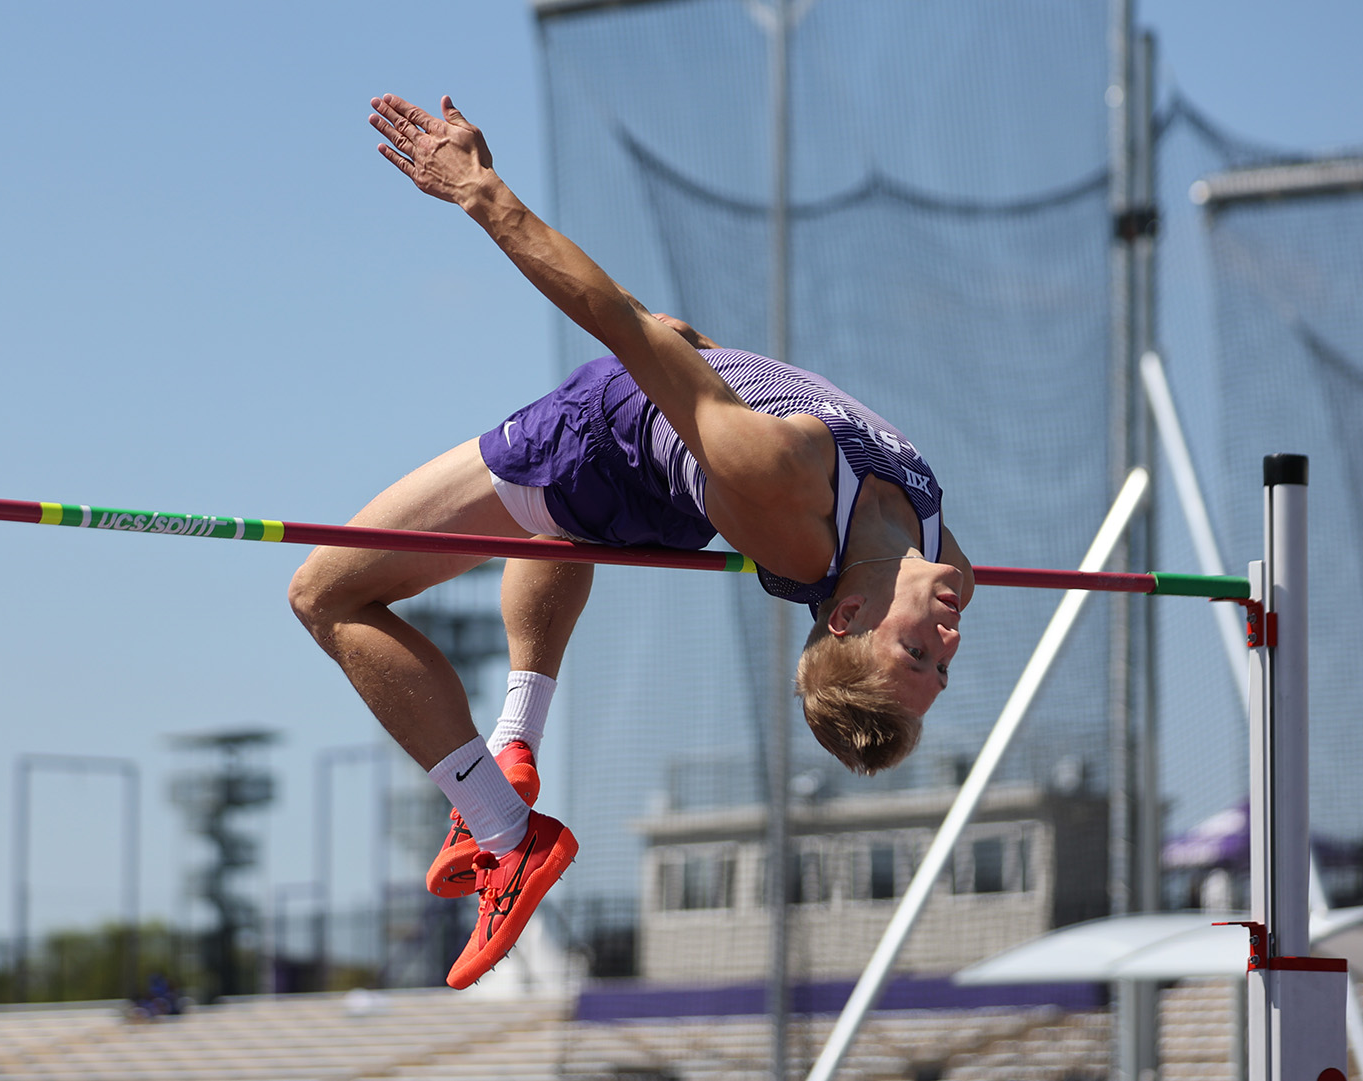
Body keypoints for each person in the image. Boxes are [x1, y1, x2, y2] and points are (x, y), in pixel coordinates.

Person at [288, 93, 974, 989]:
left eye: (916, 651)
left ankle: (502, 829)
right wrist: (693, 348)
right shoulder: (942, 555)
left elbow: (619, 323)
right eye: (939, 661)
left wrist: (479, 192)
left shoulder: (779, 479)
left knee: (324, 592)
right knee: (574, 507)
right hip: (657, 483)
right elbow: (720, 369)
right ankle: (514, 739)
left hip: (598, 439)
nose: (951, 636)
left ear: (846, 613)